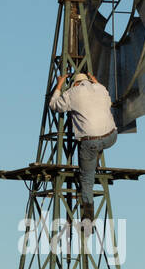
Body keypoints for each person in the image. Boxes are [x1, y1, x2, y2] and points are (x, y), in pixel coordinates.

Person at [49, 69, 118, 220]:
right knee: (97, 146)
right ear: (90, 81)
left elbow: (54, 105)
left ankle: (88, 218)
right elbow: (108, 100)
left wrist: (59, 85)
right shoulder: (101, 89)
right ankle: (94, 161)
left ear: (74, 83)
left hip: (91, 142)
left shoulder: (72, 93)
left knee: (87, 179)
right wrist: (96, 82)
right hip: (111, 137)